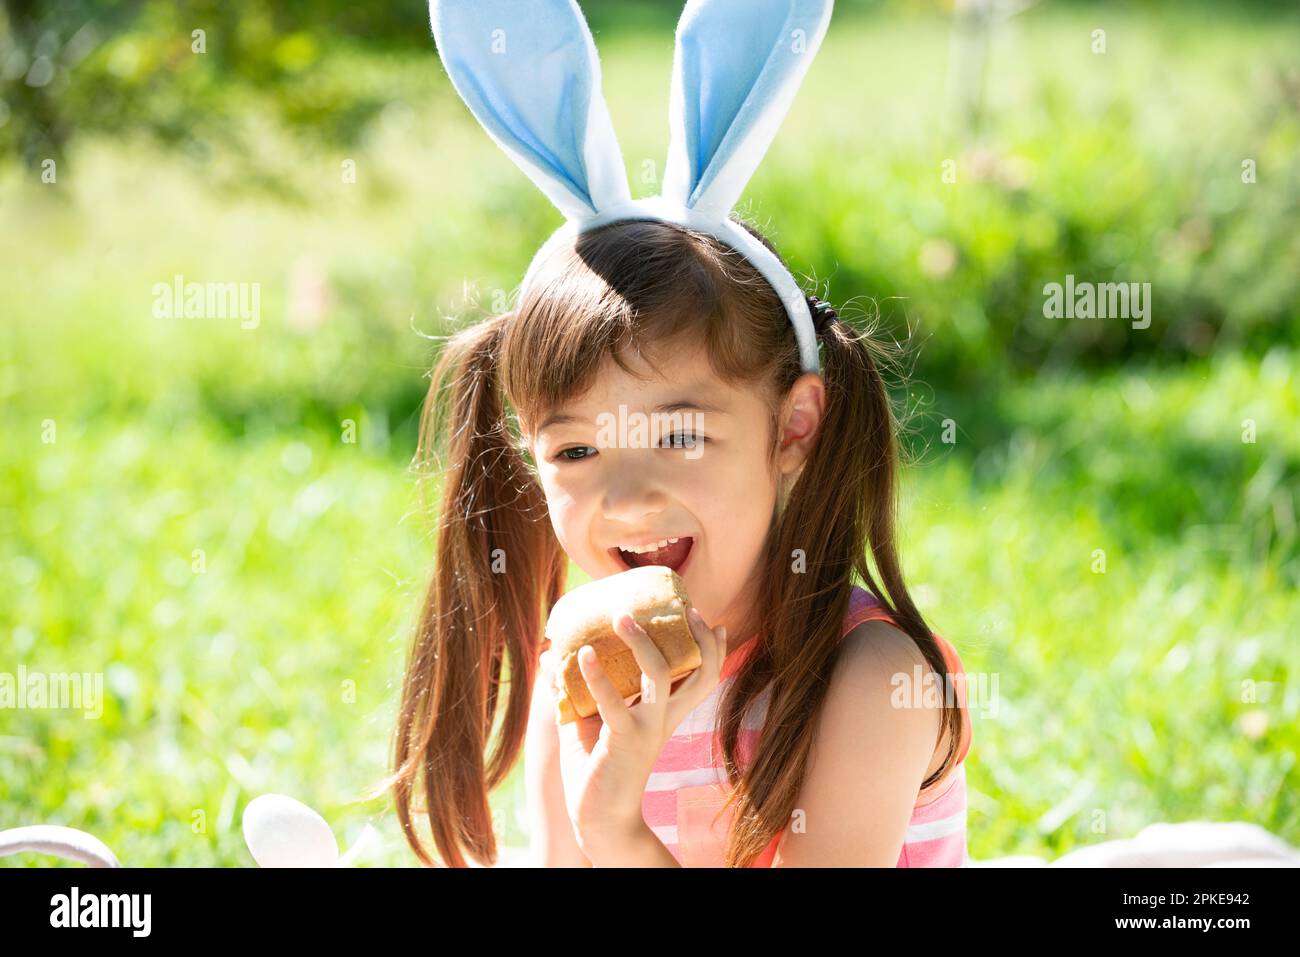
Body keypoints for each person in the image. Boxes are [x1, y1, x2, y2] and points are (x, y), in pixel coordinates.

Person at [387, 0, 971, 868]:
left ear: (793, 427)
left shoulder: (869, 682)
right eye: (576, 450)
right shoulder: (581, 681)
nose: (625, 497)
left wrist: (619, 830)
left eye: (680, 437)